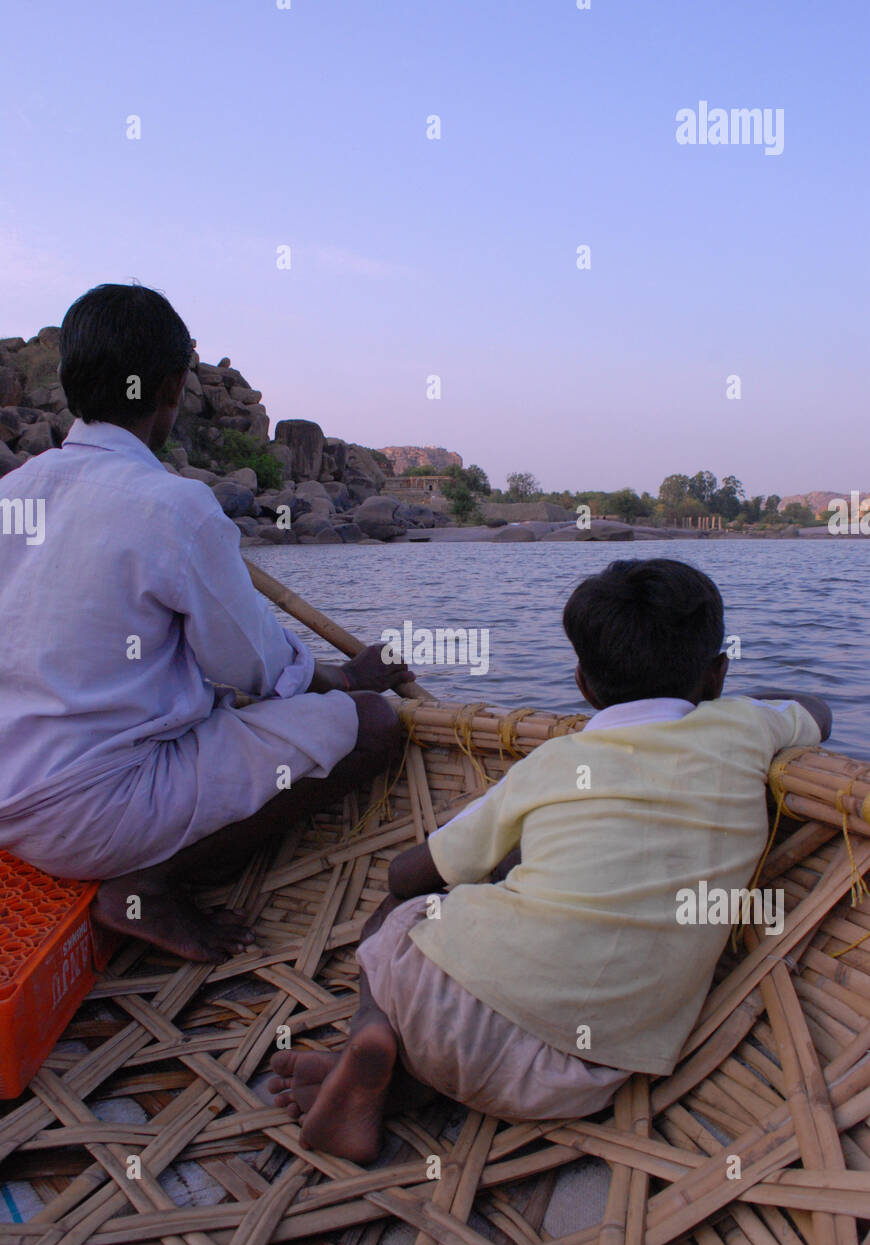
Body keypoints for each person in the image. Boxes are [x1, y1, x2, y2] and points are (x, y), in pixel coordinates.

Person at [269, 557, 831, 1161]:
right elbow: (818, 710)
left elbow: (407, 874)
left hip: (443, 1011)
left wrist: (484, 864)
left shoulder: (551, 764)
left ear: (583, 685)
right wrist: (737, 702)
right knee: (517, 974)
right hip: (582, 1076)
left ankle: (372, 1031)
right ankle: (409, 1084)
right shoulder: (745, 730)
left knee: (399, 914)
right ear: (717, 674)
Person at [0, 284, 410, 962]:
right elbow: (248, 667)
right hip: (90, 820)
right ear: (170, 390)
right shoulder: (176, 507)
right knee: (371, 725)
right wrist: (345, 676)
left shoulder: (11, 493)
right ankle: (150, 883)